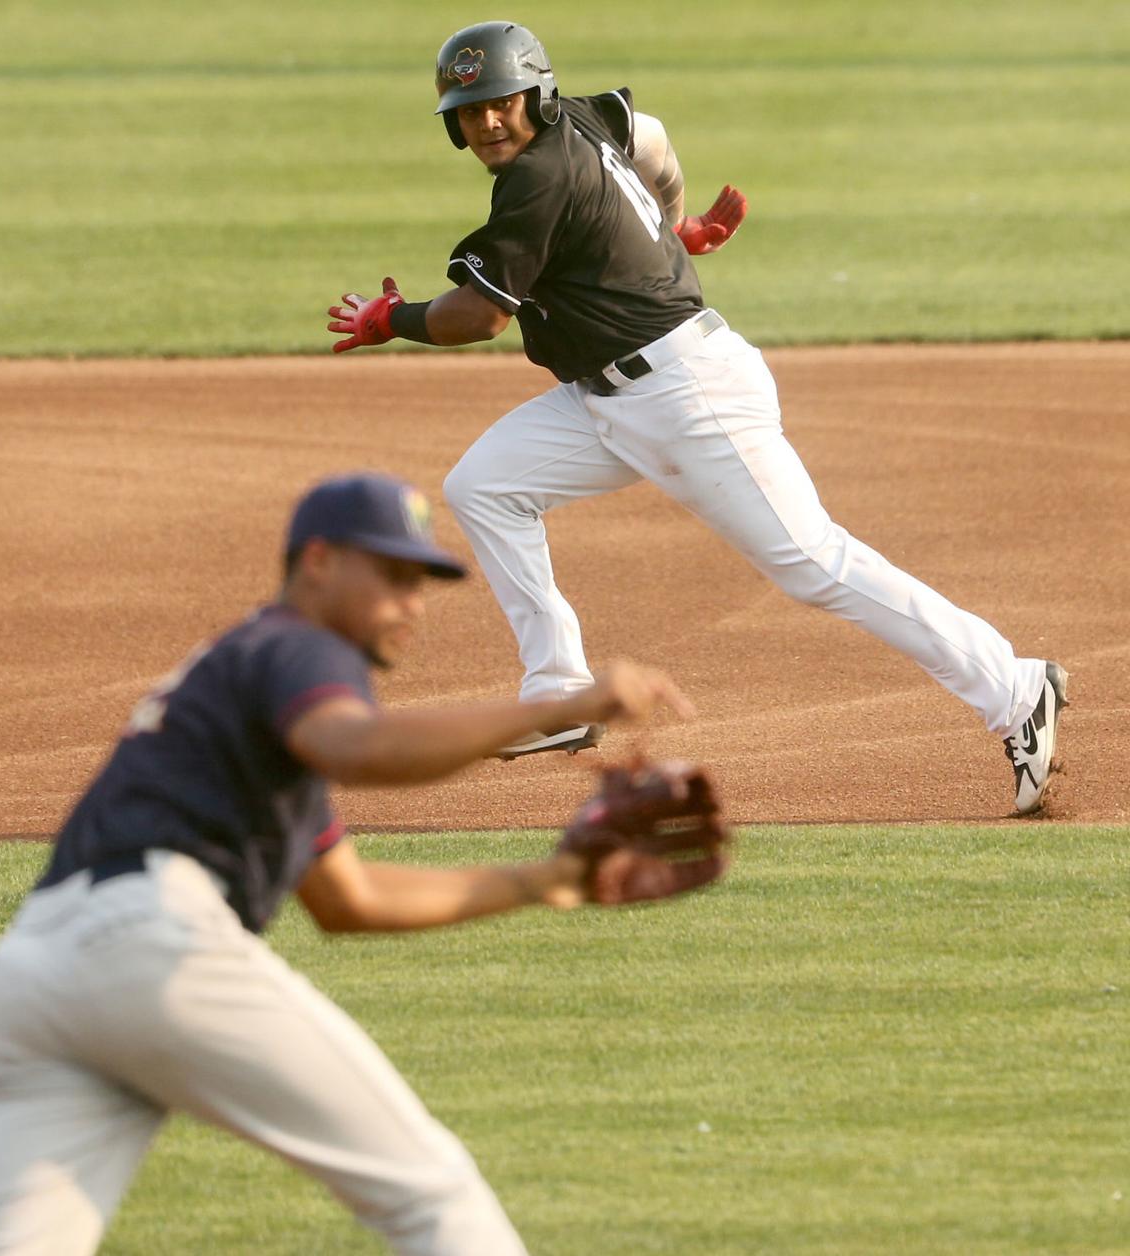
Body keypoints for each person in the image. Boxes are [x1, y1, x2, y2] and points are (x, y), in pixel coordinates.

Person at [0, 472, 719, 1256]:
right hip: (149, 948)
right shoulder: (299, 649)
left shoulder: (245, 682)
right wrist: (566, 706)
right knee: (432, 1193)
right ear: (316, 560)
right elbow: (357, 746)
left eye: (420, 580)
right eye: (390, 575)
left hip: (35, 976)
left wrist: (542, 880)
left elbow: (349, 897)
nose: (412, 601)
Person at [325, 21, 1068, 812]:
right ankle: (557, 694)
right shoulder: (580, 116)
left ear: (533, 97)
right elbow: (651, 136)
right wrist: (673, 221)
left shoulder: (535, 177)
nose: (488, 124)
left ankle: (1014, 688)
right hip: (609, 397)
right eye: (470, 113)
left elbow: (478, 316)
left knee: (814, 564)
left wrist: (388, 319)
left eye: (501, 104)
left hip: (689, 395)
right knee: (485, 485)